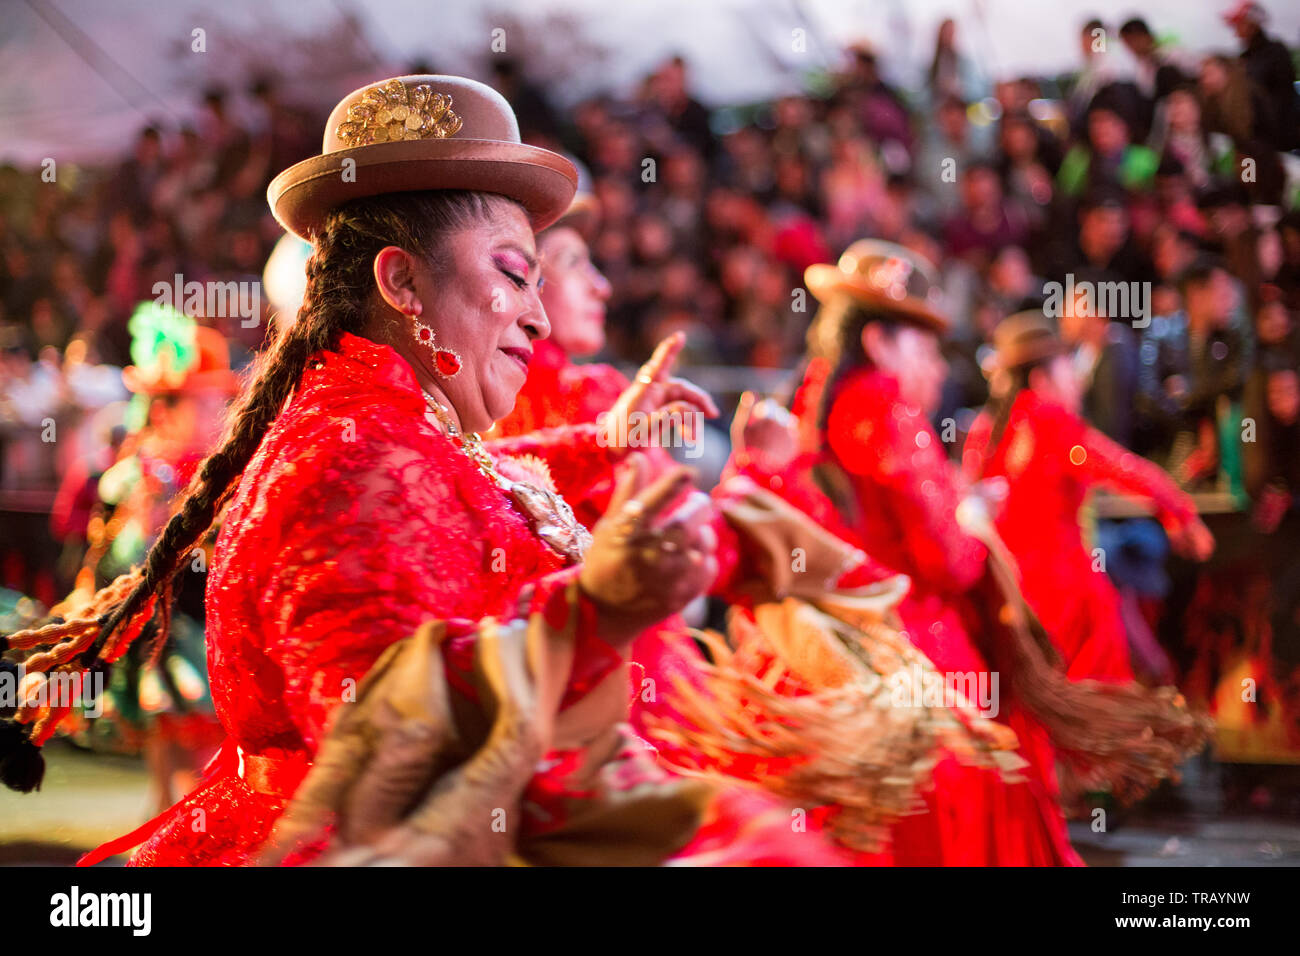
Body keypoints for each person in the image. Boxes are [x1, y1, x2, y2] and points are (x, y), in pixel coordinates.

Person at [3, 75, 841, 867]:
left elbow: (450, 496)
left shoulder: (385, 426)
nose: (541, 316)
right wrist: (593, 608)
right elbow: (396, 749)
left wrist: (600, 443)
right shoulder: (348, 457)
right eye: (515, 273)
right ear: (401, 280)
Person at [964, 312, 1215, 683]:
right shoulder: (1050, 421)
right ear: (1041, 378)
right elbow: (1120, 468)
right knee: (1098, 706)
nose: (1078, 379)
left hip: (1012, 598)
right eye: (1068, 365)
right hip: (1068, 595)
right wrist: (1180, 511)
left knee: (1041, 706)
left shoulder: (983, 433)